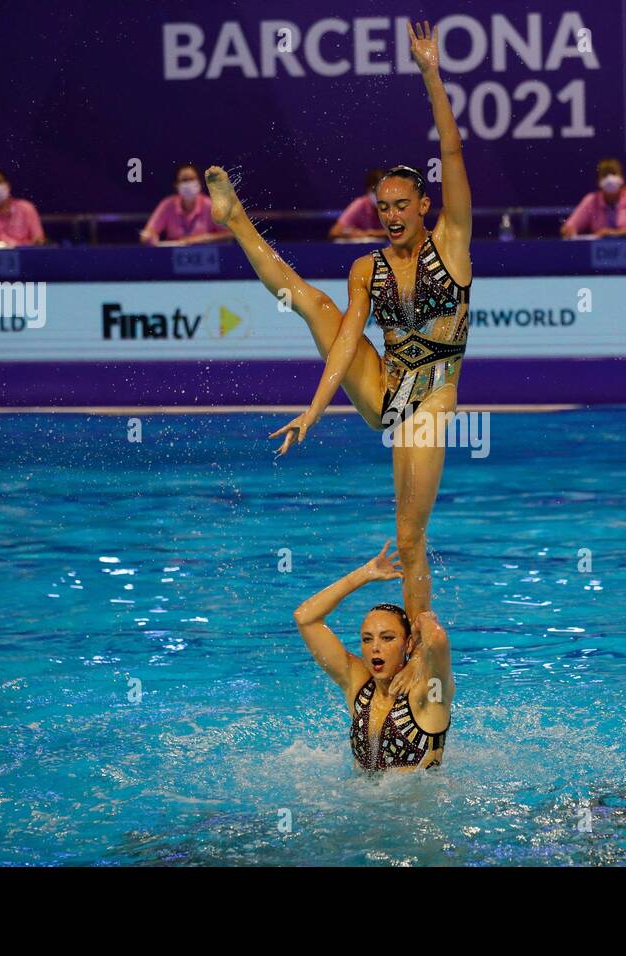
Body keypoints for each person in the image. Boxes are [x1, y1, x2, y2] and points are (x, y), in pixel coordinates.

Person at [203, 19, 470, 621]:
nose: (393, 216)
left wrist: (431, 74)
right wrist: (315, 410)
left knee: (408, 537)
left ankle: (419, 653)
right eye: (384, 208)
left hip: (430, 400)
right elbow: (348, 338)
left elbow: (451, 152)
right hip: (385, 390)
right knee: (311, 302)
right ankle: (235, 218)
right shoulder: (365, 268)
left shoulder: (452, 244)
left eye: (404, 205)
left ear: (425, 206)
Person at [293, 540, 452, 771]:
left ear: (408, 644)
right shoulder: (359, 684)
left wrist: (423, 622)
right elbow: (305, 618)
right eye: (367, 639)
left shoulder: (427, 692)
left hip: (417, 807)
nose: (375, 647)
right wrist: (364, 574)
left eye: (387, 638)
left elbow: (436, 639)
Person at [560, 158, 626, 238]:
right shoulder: (591, 200)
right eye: (605, 175)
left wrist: (614, 233)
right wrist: (570, 230)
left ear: (622, 178)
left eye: (614, 174)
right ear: (598, 181)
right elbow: (567, 228)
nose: (610, 179)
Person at [140, 163, 232, 244]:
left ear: (199, 183)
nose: (188, 183)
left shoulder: (210, 206)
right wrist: (149, 237)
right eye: (184, 180)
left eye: (192, 179)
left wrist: (204, 239)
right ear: (176, 185)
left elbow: (230, 234)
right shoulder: (167, 205)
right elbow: (147, 234)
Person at [328, 169, 387, 240]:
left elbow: (402, 232)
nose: (378, 195)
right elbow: (334, 232)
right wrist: (351, 234)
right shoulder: (360, 204)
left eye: (382, 191)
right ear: (368, 190)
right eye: (374, 191)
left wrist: (371, 233)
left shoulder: (395, 206)